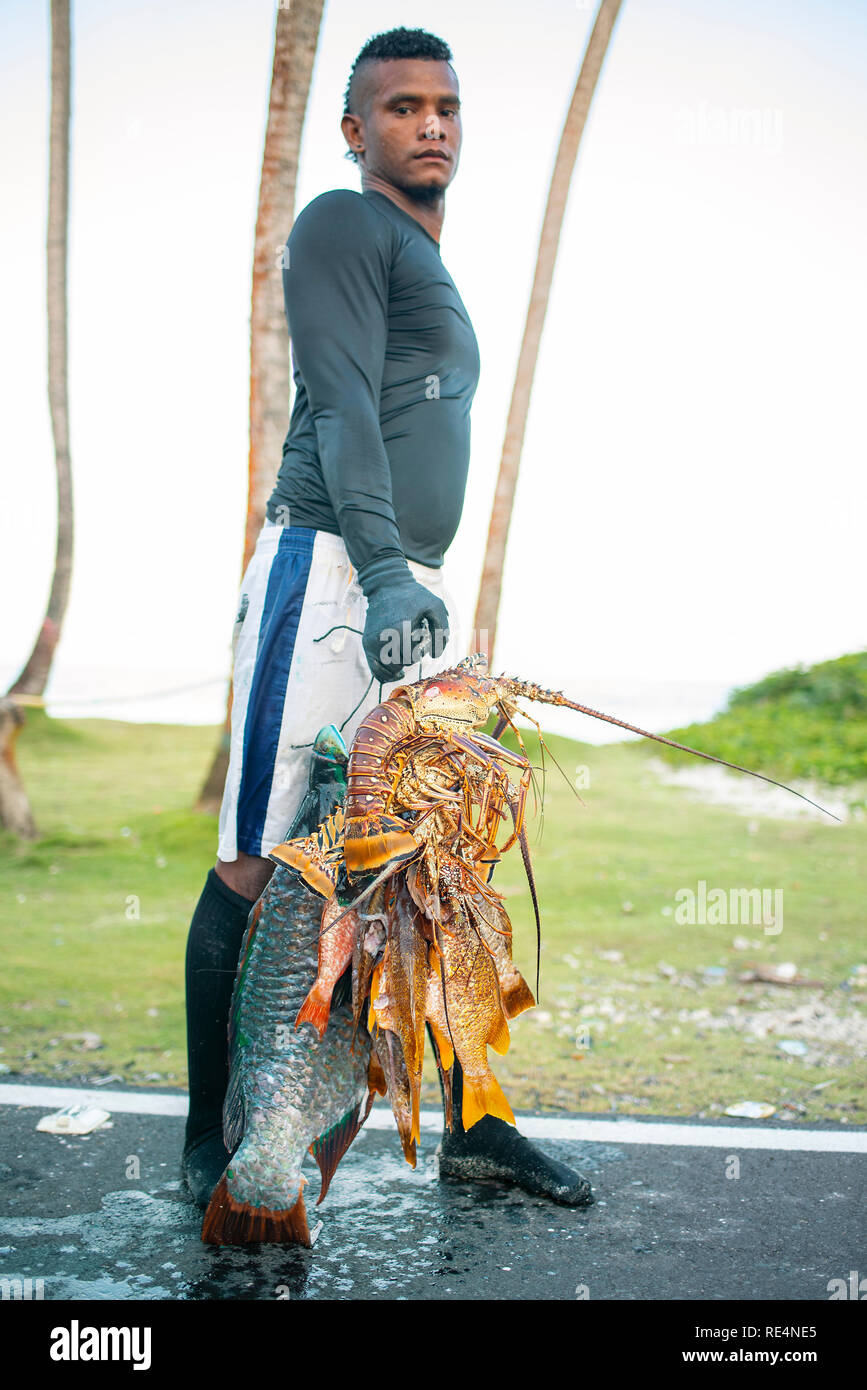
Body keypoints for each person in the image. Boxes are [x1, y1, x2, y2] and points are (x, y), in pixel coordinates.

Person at [182, 26, 593, 1211]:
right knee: (260, 863)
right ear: (354, 131)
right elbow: (346, 405)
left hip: (403, 579)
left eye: (446, 107)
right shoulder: (340, 225)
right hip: (327, 577)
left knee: (438, 865)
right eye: (402, 106)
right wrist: (382, 567)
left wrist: (412, 575)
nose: (431, 124)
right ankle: (214, 1152)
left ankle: (476, 1122)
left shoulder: (427, 258)